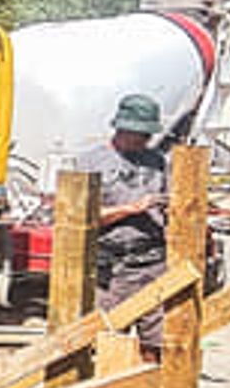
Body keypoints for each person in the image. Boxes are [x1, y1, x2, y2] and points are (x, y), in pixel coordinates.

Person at [74, 92, 173, 359]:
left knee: (156, 342)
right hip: (112, 268)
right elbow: (82, 217)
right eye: (142, 134)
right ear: (122, 128)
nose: (147, 140)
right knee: (108, 340)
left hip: (153, 264)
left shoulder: (158, 162)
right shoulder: (91, 163)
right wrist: (132, 208)